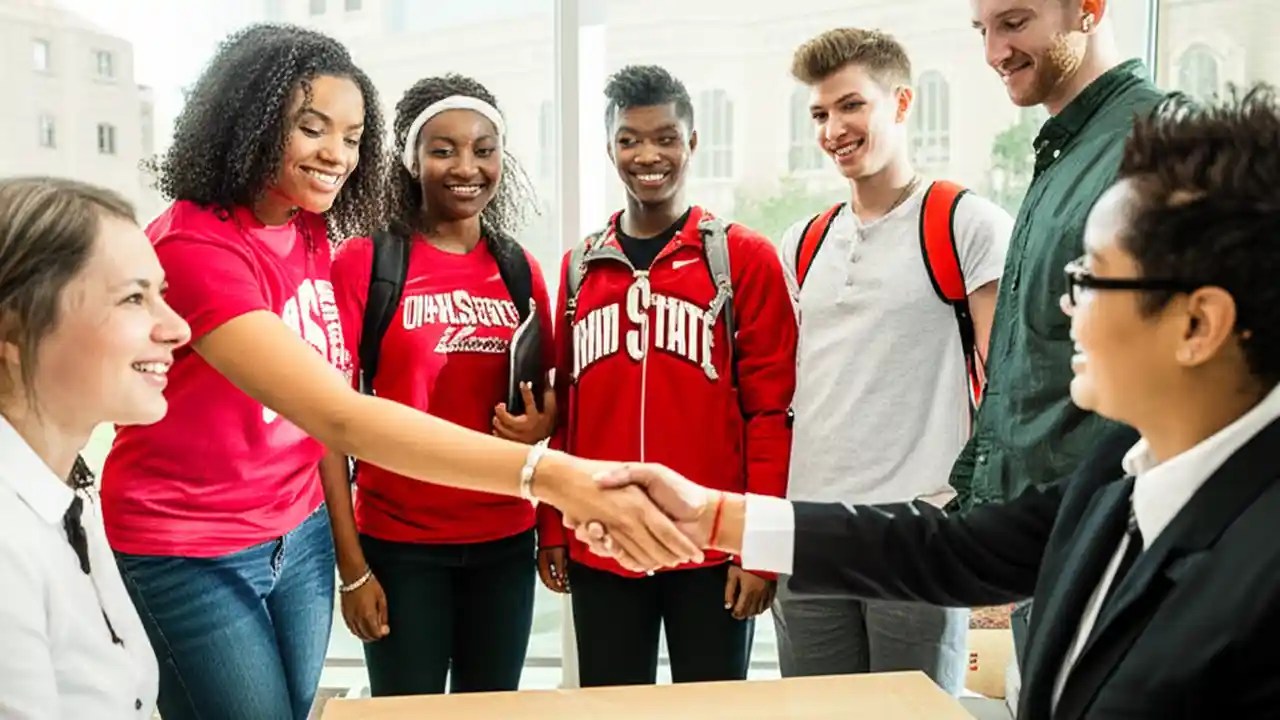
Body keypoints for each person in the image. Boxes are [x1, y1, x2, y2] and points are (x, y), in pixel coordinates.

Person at [587, 86, 1280, 720]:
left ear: (1198, 325)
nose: (1066, 307)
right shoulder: (1114, 473)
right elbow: (946, 549)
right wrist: (715, 517)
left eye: (1091, 279)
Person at [99, 25, 698, 720]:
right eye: (312, 129)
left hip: (298, 531)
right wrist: (556, 478)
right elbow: (338, 415)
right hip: (195, 541)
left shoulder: (308, 231)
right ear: (252, 122)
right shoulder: (201, 247)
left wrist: (541, 437)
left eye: (352, 137)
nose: (336, 153)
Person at [535, 64, 797, 688]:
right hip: (602, 540)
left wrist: (759, 548)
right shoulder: (578, 269)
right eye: (629, 139)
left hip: (712, 544)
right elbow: (564, 414)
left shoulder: (742, 258)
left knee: (711, 708)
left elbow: (771, 414)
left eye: (665, 138)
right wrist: (552, 527)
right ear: (610, 149)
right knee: (610, 707)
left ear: (692, 142)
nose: (648, 155)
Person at [774, 28, 1012, 693]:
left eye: (852, 105)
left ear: (902, 103)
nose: (833, 130)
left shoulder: (967, 224)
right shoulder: (803, 241)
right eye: (820, 113)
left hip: (917, 530)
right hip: (808, 532)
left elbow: (1006, 385)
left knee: (911, 710)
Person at [327, 73, 554, 696]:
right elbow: (326, 428)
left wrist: (543, 424)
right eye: (443, 150)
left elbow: (549, 395)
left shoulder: (519, 269)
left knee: (492, 712)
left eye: (484, 149)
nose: (467, 167)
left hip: (505, 542)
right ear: (411, 159)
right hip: (400, 547)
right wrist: (352, 568)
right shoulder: (367, 263)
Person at [960, 0, 1167, 662]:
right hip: (1048, 547)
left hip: (1113, 552)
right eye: (982, 29)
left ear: (1089, 9)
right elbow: (1028, 369)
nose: (993, 52)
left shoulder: (1157, 144)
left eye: (1014, 22)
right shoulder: (1064, 152)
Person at [0, 177, 191, 718]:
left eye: (161, 294)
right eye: (133, 298)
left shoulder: (67, 491)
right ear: (13, 330)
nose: (178, 328)